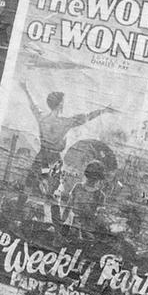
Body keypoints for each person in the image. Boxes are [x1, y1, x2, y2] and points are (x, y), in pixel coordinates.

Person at [21, 85, 112, 223]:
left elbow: (33, 105)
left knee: (28, 187)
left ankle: (18, 214)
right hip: (54, 160)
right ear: (60, 105)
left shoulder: (42, 118)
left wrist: (26, 89)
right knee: (53, 195)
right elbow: (87, 117)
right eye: (63, 102)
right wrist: (103, 110)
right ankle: (58, 226)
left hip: (42, 158)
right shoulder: (64, 123)